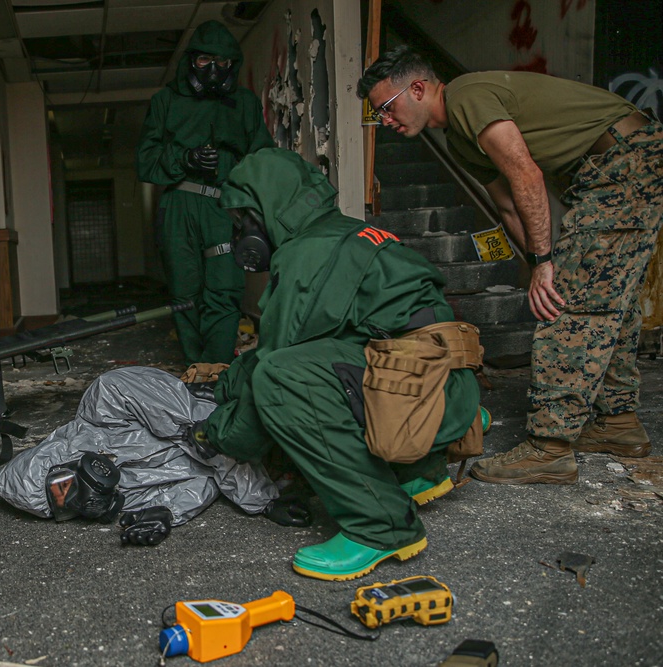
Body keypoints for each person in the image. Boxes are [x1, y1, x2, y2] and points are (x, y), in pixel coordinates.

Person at [357, 46, 661, 485]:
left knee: (570, 303)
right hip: (611, 168)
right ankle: (618, 424)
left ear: (418, 89)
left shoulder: (466, 97)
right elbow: (508, 205)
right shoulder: (459, 140)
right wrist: (539, 262)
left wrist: (545, 267)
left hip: (625, 160)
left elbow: (527, 176)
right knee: (604, 296)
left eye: (387, 107)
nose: (385, 120)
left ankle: (550, 448)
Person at [187, 147, 486, 580]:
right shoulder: (344, 233)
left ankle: (381, 527)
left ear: (264, 212)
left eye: (240, 224)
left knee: (280, 378)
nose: (240, 238)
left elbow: (272, 373)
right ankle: (420, 473)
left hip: (420, 400)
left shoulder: (307, 257)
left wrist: (214, 434)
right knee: (300, 361)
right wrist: (229, 380)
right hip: (443, 388)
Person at [0, 366, 310, 546]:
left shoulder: (108, 399)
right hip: (268, 454)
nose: (80, 501)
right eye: (65, 509)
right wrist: (166, 511)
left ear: (60, 458)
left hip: (248, 405)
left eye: (64, 488)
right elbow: (204, 481)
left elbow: (205, 434)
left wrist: (262, 499)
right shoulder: (112, 497)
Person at [136, 19, 275, 365]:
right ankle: (195, 366)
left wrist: (258, 211)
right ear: (191, 61)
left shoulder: (243, 104)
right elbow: (145, 162)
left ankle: (216, 370)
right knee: (185, 294)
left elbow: (263, 158)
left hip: (224, 206)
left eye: (222, 62)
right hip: (180, 205)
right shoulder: (166, 101)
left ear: (231, 65)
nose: (212, 70)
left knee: (225, 291)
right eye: (203, 61)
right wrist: (184, 159)